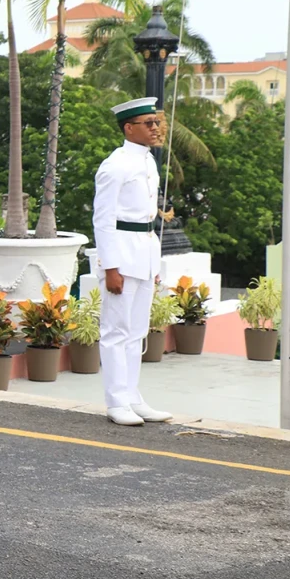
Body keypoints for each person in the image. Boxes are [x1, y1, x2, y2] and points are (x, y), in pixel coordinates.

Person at [93, 97, 173, 427]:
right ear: (129, 128)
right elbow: (103, 219)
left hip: (144, 253)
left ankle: (132, 396)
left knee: (137, 331)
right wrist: (111, 267)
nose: (156, 128)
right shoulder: (115, 165)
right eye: (148, 123)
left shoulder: (148, 162)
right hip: (122, 255)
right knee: (115, 331)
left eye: (156, 122)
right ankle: (116, 401)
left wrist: (154, 268)